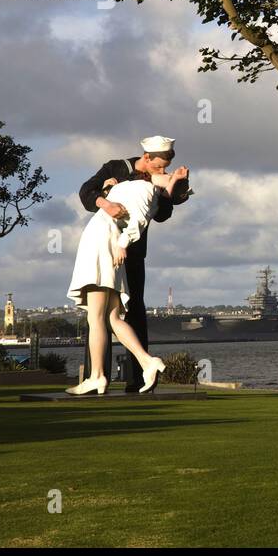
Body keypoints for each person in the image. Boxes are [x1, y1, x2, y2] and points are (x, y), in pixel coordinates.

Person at [77, 136, 190, 392]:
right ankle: (97, 375)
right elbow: (86, 193)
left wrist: (171, 188)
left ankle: (137, 378)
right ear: (146, 158)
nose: (162, 171)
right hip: (106, 248)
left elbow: (162, 215)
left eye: (165, 168)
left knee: (134, 312)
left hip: (134, 253)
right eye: (158, 167)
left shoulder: (157, 181)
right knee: (98, 316)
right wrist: (106, 202)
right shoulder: (116, 168)